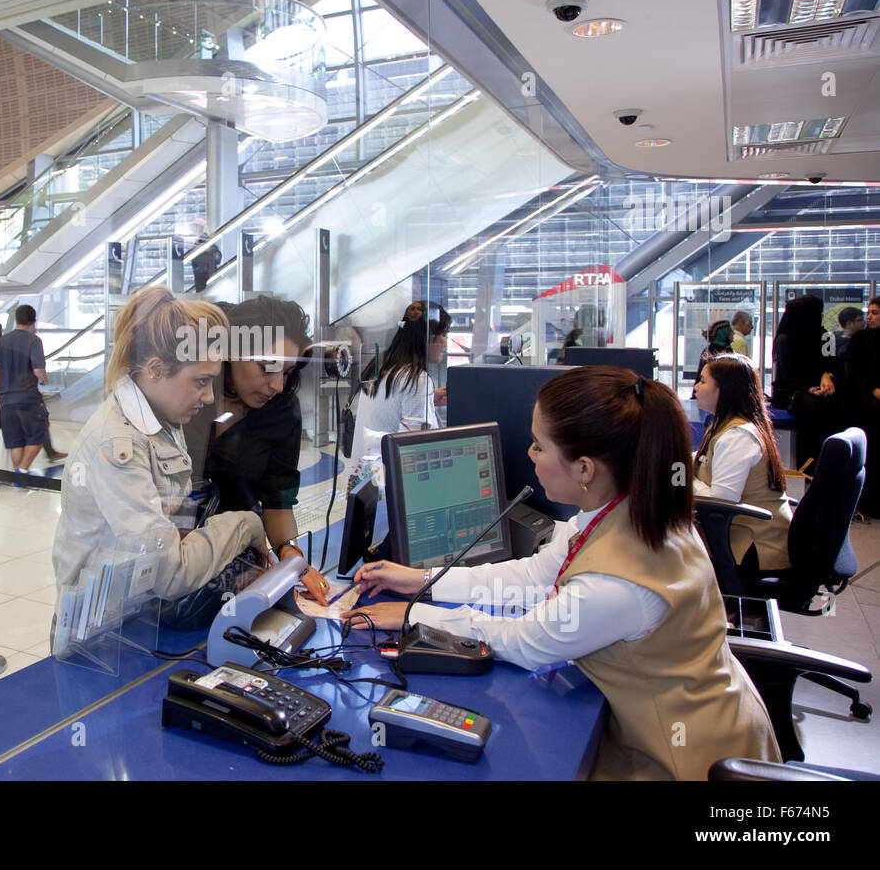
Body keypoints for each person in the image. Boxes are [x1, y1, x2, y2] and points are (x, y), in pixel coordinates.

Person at [343, 366, 781, 780]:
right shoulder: (629, 509)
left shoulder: (618, 582)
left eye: (539, 446)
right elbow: (532, 576)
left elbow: (524, 642)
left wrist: (414, 619)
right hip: (682, 722)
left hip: (680, 758)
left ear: (585, 468)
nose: (529, 455)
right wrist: (424, 582)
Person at [52, 286, 269, 625]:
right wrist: (246, 525)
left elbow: (172, 524)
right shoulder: (117, 444)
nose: (209, 396)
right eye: (200, 381)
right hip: (103, 639)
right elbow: (170, 573)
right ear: (154, 369)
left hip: (141, 619)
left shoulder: (160, 419)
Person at [186, 294, 328, 602]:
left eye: (287, 372)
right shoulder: (188, 393)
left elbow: (277, 498)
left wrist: (290, 554)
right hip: (171, 556)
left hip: (236, 563)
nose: (277, 385)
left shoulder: (280, 410)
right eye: (267, 367)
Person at [692, 354, 792, 572]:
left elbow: (720, 500)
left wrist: (687, 481)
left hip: (753, 549)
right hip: (744, 539)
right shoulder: (726, 424)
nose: (696, 386)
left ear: (725, 389)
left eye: (702, 380)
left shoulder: (737, 435)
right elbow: (706, 460)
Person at [352, 308, 450, 458]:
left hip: (367, 470)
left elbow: (388, 409)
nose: (445, 342)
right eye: (443, 335)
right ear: (427, 338)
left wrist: (428, 399)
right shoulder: (416, 379)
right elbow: (415, 446)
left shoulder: (382, 364)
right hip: (392, 475)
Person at [771, 294, 840, 467]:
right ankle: (809, 464)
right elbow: (788, 376)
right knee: (815, 408)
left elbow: (832, 363)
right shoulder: (785, 340)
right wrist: (810, 388)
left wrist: (827, 375)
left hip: (819, 388)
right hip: (791, 392)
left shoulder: (826, 336)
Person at [0, 304, 50, 475]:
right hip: (28, 398)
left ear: (17, 320)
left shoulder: (4, 340)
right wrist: (45, 380)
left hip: (7, 399)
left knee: (15, 441)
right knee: (38, 436)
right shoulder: (34, 340)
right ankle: (22, 471)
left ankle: (20, 475)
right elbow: (38, 370)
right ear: (33, 321)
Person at [842, 296, 880, 516]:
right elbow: (854, 372)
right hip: (864, 405)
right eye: (870, 312)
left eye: (876, 313)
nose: (870, 317)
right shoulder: (859, 339)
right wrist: (873, 390)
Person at [186, 217, 220, 292]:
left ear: (199, 227)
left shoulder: (203, 239)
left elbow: (213, 254)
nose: (193, 229)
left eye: (194, 226)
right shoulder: (203, 239)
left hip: (203, 274)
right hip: (205, 273)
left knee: (203, 294)